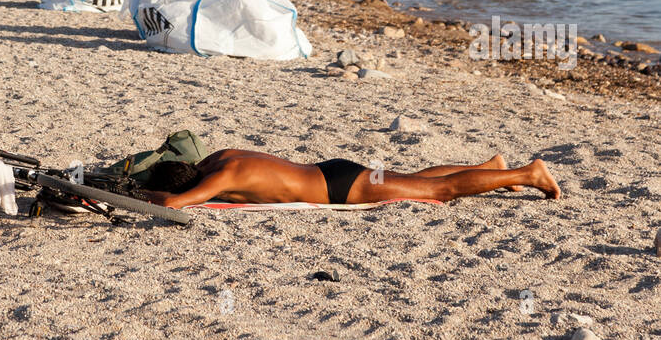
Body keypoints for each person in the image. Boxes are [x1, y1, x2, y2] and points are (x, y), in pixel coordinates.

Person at [145, 149, 560, 208]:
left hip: (345, 188)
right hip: (333, 169)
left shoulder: (217, 182)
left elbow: (173, 204)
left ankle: (529, 173)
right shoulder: (220, 159)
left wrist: (145, 194)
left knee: (439, 192)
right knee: (412, 179)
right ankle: (496, 170)